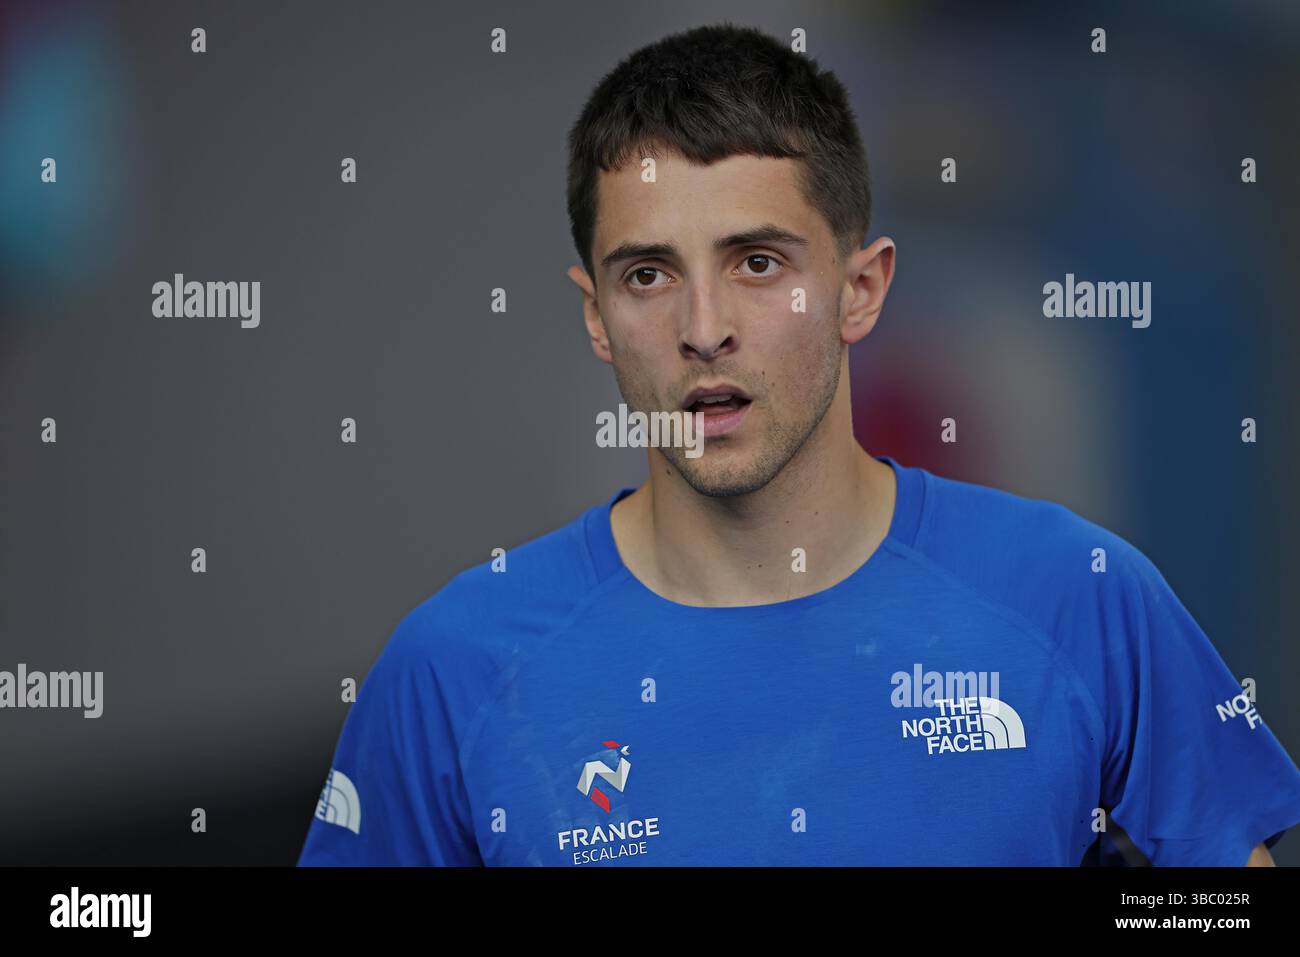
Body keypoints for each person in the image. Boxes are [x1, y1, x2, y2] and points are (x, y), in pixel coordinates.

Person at [298, 23, 1300, 866]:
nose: (703, 326)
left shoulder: (1081, 597)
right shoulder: (453, 669)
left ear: (859, 289)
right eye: (647, 274)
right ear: (595, 315)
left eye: (757, 261)